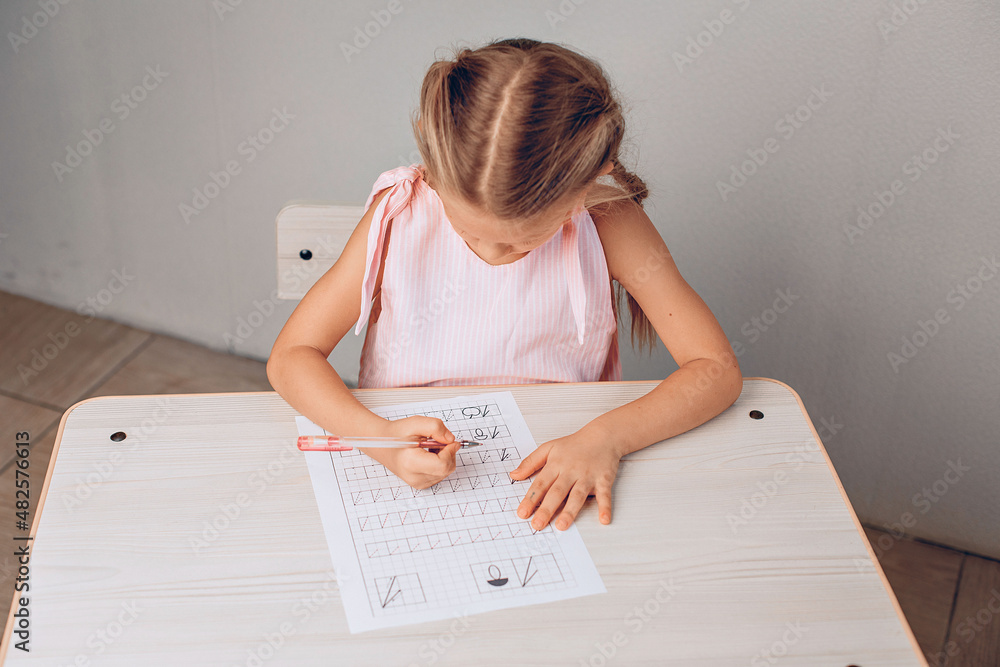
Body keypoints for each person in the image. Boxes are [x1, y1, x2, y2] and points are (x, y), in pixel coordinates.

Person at [267, 37, 742, 533]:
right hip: (406, 466)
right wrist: (379, 439)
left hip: (565, 458)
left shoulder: (609, 224)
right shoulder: (398, 216)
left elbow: (716, 370)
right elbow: (291, 356)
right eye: (469, 229)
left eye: (521, 242)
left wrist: (608, 438)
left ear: (587, 186)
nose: (493, 253)